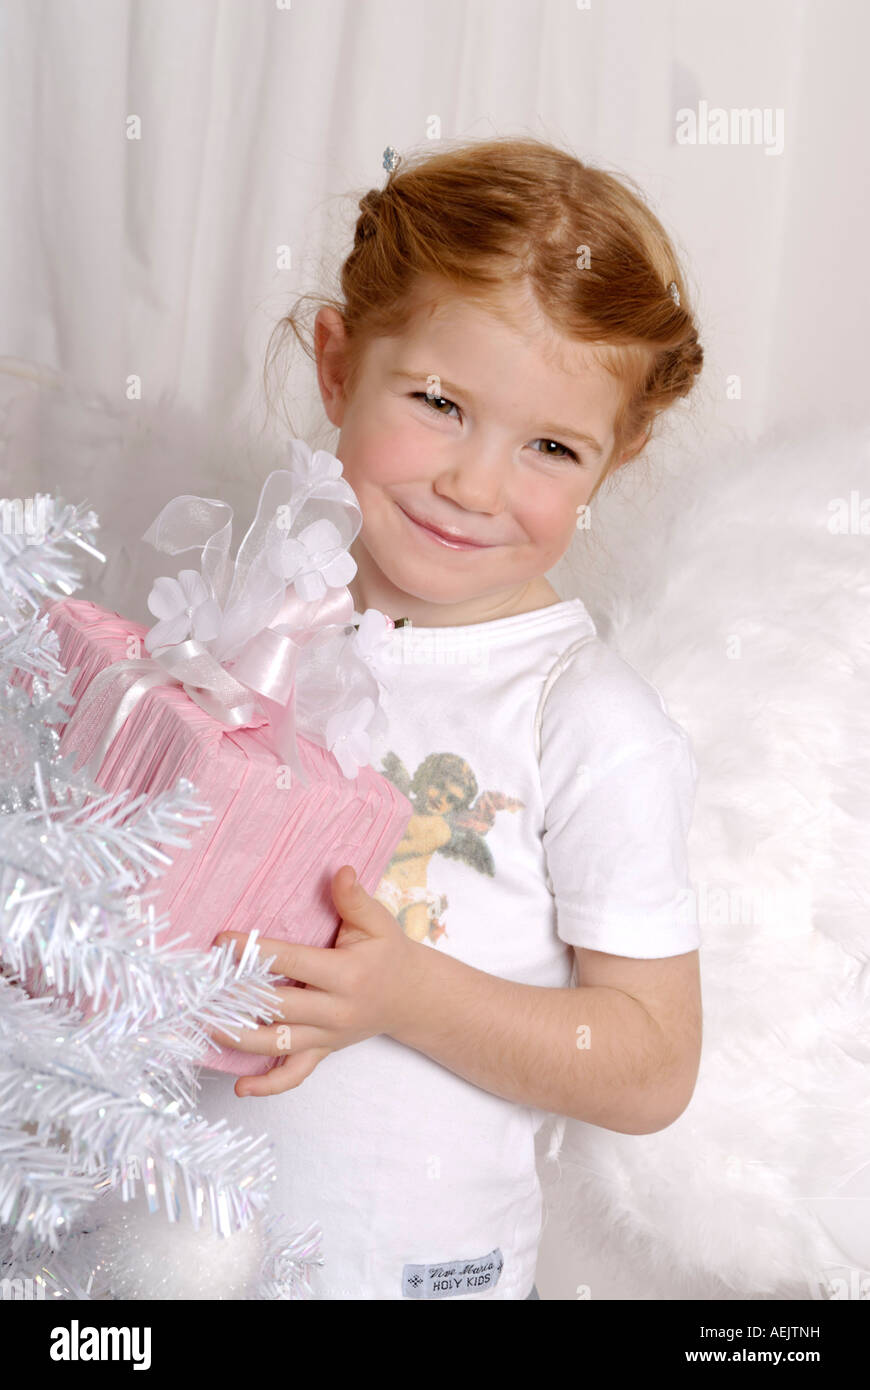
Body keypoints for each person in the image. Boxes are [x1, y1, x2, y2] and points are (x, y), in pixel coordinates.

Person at [197, 136, 705, 1300]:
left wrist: (405, 995)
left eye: (549, 446)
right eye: (437, 402)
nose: (476, 485)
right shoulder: (257, 622)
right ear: (337, 365)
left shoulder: (582, 716)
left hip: (414, 1271)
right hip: (169, 1246)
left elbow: (651, 1062)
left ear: (613, 461)